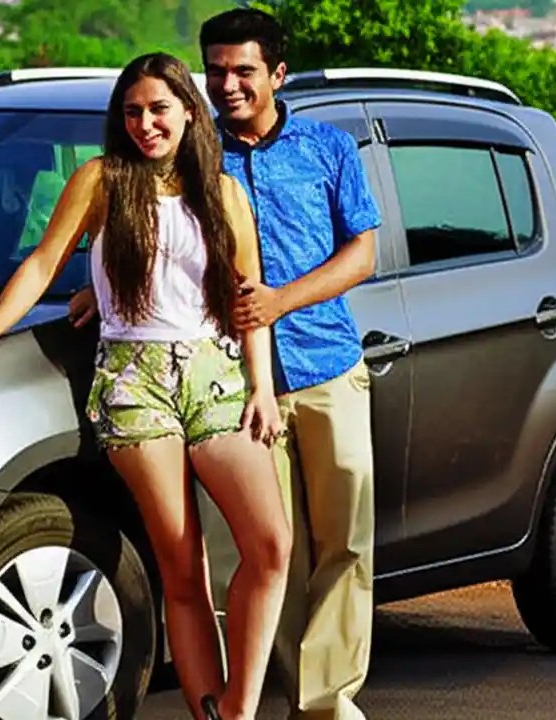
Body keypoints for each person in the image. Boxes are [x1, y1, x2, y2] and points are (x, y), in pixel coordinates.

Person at [0, 53, 292, 720]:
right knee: (183, 567)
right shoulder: (101, 180)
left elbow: (248, 297)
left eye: (159, 109)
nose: (146, 124)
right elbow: (43, 262)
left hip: (215, 377)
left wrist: (260, 386)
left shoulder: (223, 193)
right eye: (133, 112)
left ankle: (238, 706)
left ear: (188, 112)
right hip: (134, 383)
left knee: (270, 546)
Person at [68, 9, 382, 720]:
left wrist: (279, 301)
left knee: (344, 544)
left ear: (277, 74)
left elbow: (363, 254)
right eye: (216, 71)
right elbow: (153, 236)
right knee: (263, 553)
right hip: (231, 385)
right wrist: (103, 281)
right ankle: (258, 699)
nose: (229, 84)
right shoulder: (191, 151)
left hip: (324, 364)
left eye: (244, 70)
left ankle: (325, 706)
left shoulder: (328, 148)